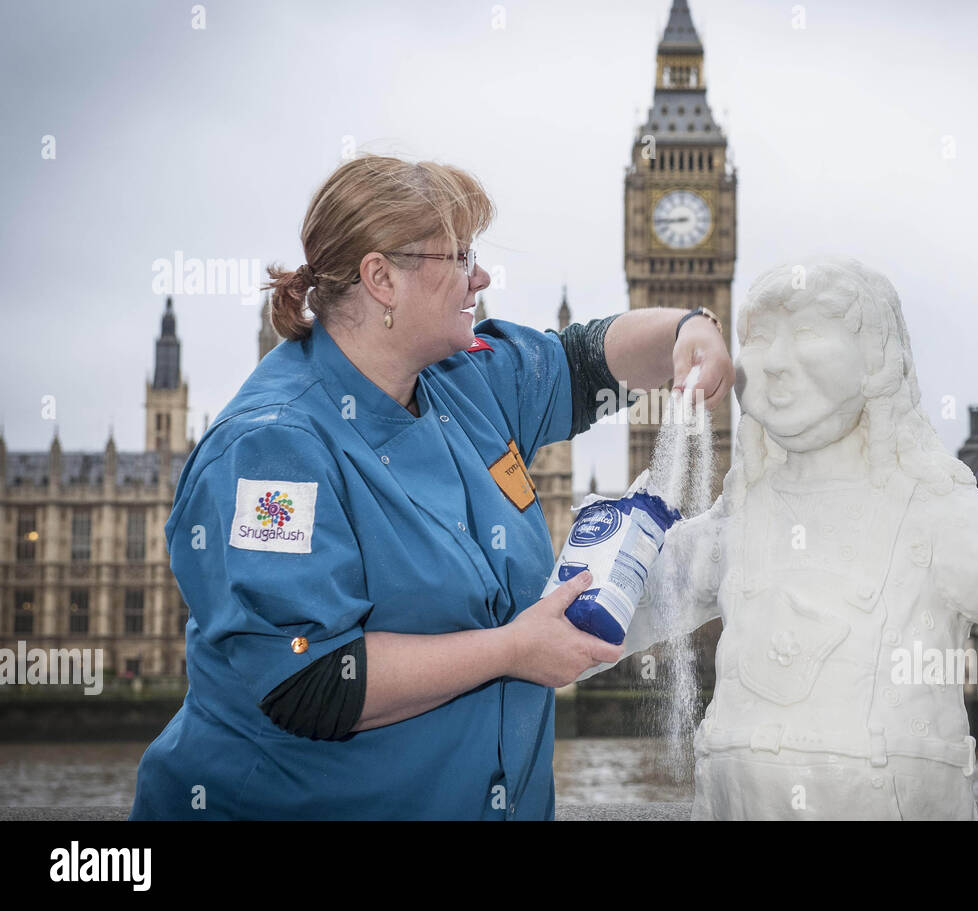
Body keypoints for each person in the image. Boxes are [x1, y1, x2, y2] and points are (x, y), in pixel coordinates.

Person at [128, 154, 733, 820]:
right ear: (381, 278)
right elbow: (308, 675)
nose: (481, 275)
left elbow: (586, 356)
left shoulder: (463, 378)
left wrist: (689, 329)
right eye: (460, 256)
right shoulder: (271, 448)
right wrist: (512, 648)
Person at [581, 257, 978, 819]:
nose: (774, 362)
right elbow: (636, 599)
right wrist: (528, 613)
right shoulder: (739, 518)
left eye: (805, 335)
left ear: (875, 359)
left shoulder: (929, 509)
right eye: (759, 338)